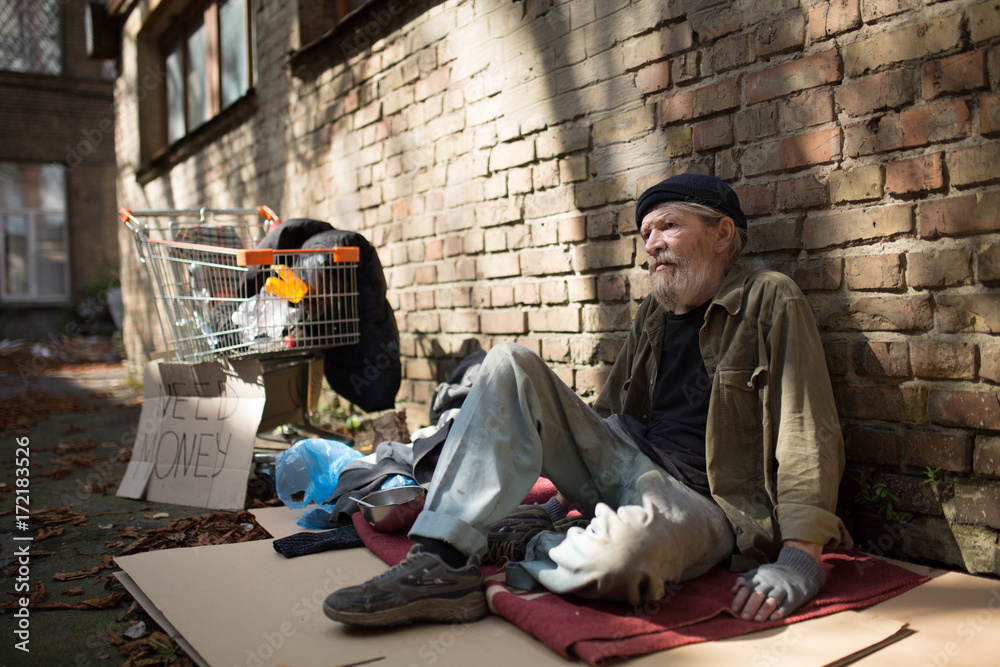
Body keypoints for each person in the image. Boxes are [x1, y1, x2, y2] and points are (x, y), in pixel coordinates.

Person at [323, 173, 852, 628]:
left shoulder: (769, 299)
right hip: (629, 461)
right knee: (506, 360)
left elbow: (806, 428)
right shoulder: (656, 314)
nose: (652, 245)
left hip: (703, 501)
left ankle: (546, 547)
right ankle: (439, 560)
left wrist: (801, 556)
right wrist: (557, 502)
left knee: (620, 561)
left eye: (668, 226)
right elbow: (602, 421)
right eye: (645, 234)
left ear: (722, 233)